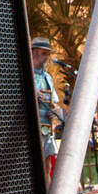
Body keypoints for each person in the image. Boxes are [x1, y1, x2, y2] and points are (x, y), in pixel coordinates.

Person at [32, 36, 62, 177]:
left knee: (47, 166)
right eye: (44, 53)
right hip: (31, 129)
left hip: (46, 129)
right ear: (33, 53)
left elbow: (54, 103)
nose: (47, 57)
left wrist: (54, 112)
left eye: (48, 54)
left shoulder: (47, 77)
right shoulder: (26, 75)